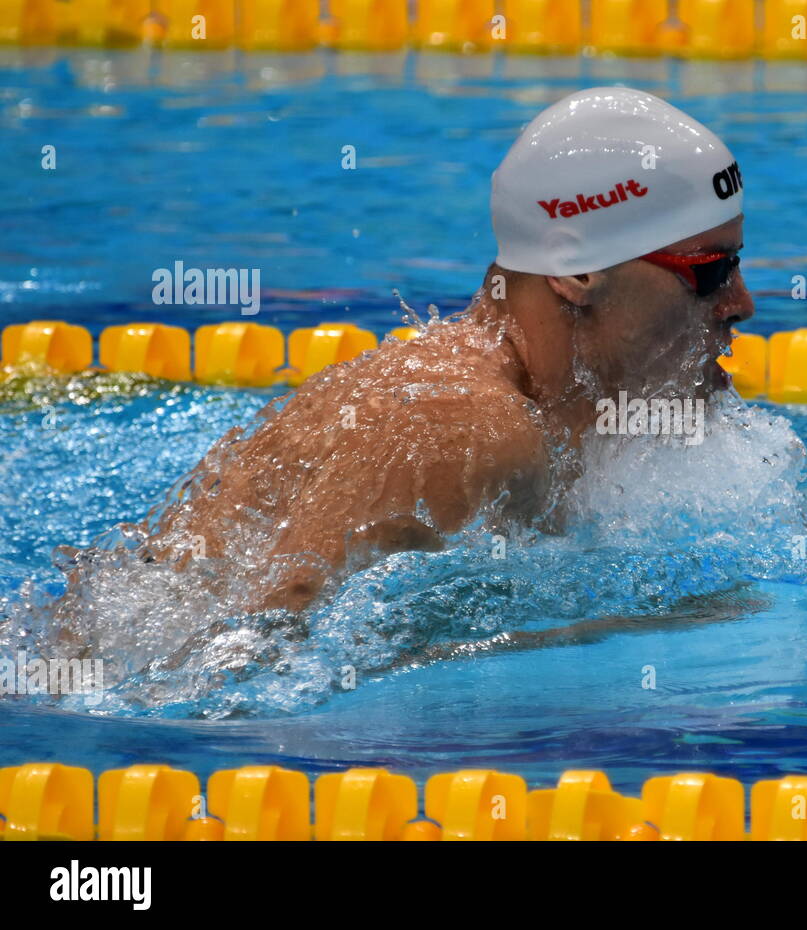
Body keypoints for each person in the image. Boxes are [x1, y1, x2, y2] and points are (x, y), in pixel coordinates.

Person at [102, 86, 754, 615]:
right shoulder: (461, 421)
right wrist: (644, 628)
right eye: (709, 271)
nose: (740, 304)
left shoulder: (566, 413)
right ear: (578, 271)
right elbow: (252, 661)